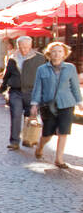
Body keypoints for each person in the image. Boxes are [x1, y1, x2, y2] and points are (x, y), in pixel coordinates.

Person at [30, 41, 82, 169]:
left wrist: (79, 102)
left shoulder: (70, 68)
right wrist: (34, 104)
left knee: (63, 131)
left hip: (66, 104)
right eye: (54, 51)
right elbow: (38, 88)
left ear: (64, 54)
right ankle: (40, 147)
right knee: (47, 133)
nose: (57, 54)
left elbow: (75, 87)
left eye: (60, 51)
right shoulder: (42, 69)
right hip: (48, 105)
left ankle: (59, 159)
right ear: (49, 54)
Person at [0, 34, 47, 150]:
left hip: (32, 91)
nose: (24, 50)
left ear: (31, 46)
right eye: (21, 47)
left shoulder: (40, 58)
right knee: (15, 115)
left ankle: (28, 139)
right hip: (16, 92)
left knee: (30, 116)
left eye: (26, 47)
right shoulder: (12, 58)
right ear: (18, 46)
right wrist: (2, 88)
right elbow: (7, 75)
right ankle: (14, 142)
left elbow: (44, 75)